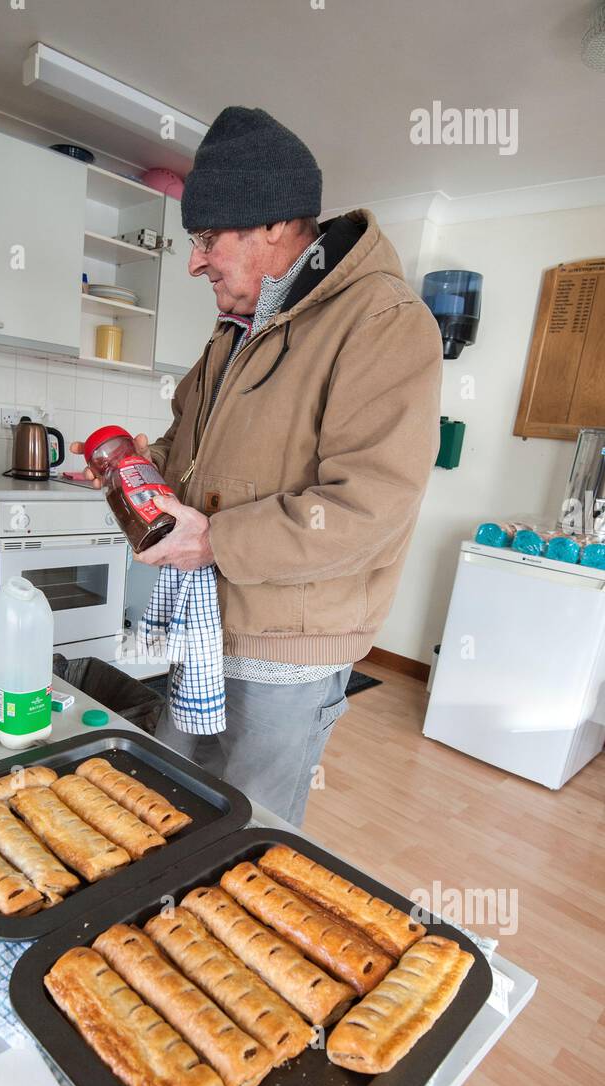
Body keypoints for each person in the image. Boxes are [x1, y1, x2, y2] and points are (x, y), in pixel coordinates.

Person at [72, 105, 443, 827]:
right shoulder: (238, 328)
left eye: (208, 238)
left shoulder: (383, 322)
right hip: (209, 623)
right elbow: (190, 450)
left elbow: (372, 505)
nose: (194, 261)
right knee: (169, 806)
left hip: (287, 648)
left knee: (246, 833)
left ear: (274, 225)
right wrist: (136, 471)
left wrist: (216, 540)